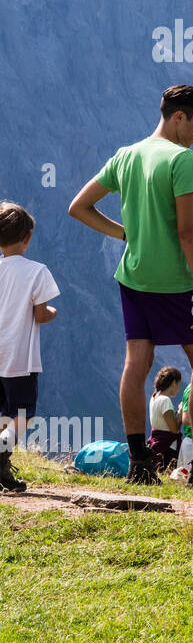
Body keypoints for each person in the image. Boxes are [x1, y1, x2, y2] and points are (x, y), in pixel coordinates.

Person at [68, 85, 193, 488]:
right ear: (180, 117)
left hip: (134, 278)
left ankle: (140, 462)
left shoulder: (126, 155)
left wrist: (126, 235)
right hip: (175, 282)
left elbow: (79, 207)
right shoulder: (182, 159)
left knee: (135, 365)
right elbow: (188, 232)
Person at [0, 202, 60, 492]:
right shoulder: (37, 272)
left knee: (2, 415)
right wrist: (53, 313)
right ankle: (1, 453)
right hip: (20, 358)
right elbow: (40, 314)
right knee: (22, 415)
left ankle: (2, 469)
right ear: (29, 237)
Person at [146, 366, 184, 472]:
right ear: (173, 383)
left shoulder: (154, 397)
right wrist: (180, 413)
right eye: (178, 385)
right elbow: (174, 429)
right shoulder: (165, 400)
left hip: (155, 442)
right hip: (167, 446)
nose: (178, 389)